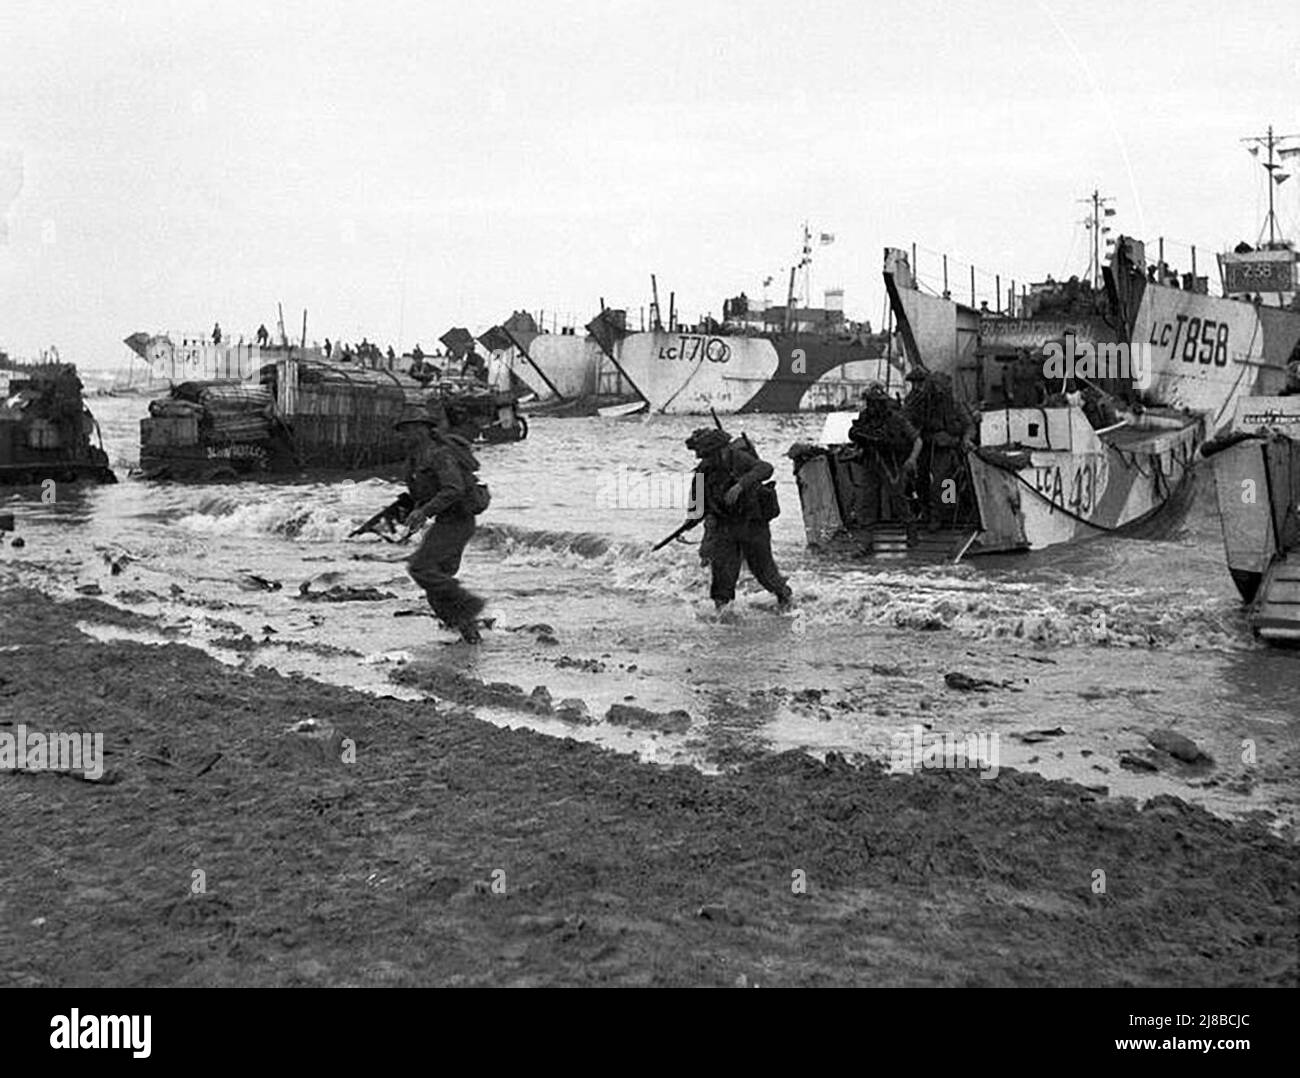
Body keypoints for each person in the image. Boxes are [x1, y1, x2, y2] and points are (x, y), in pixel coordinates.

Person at [395, 406, 488, 643]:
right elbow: (426, 492)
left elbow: (453, 489)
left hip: (458, 521)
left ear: (421, 431)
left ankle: (470, 605)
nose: (402, 437)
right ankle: (470, 637)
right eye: (401, 432)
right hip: (446, 521)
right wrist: (412, 508)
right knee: (435, 583)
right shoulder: (415, 460)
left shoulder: (440, 455)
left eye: (407, 431)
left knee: (421, 568)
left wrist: (424, 512)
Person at [685, 428, 792, 613]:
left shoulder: (739, 458)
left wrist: (740, 486)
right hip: (725, 527)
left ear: (721, 450)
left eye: (708, 455)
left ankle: (786, 599)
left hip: (752, 524)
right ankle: (723, 618)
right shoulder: (703, 472)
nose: (704, 459)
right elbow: (696, 506)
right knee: (722, 576)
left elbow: (765, 468)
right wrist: (690, 521)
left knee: (764, 572)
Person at [904, 369, 977, 530]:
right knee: (920, 481)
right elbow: (907, 420)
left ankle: (943, 515)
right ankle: (927, 513)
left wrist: (966, 439)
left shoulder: (955, 404)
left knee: (943, 483)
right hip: (925, 447)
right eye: (934, 386)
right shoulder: (921, 403)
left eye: (940, 386)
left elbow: (969, 425)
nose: (937, 390)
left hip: (946, 449)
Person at [848, 384, 922, 527]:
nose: (873, 406)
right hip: (871, 459)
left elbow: (917, 440)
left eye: (876, 402)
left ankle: (909, 524)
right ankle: (867, 528)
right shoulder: (865, 417)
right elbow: (855, 433)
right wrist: (860, 439)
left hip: (891, 461)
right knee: (867, 495)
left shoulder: (896, 419)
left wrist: (912, 459)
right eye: (871, 402)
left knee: (897, 495)